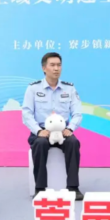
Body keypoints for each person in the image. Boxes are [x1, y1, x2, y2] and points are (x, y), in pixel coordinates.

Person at [22, 52, 83, 200]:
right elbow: (26, 114)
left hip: (63, 131)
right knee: (40, 144)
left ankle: (73, 187)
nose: (56, 68)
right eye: (52, 65)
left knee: (73, 142)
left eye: (59, 65)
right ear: (44, 68)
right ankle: (40, 188)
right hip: (41, 130)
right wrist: (38, 131)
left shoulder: (69, 88)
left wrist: (70, 128)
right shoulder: (33, 88)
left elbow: (77, 113)